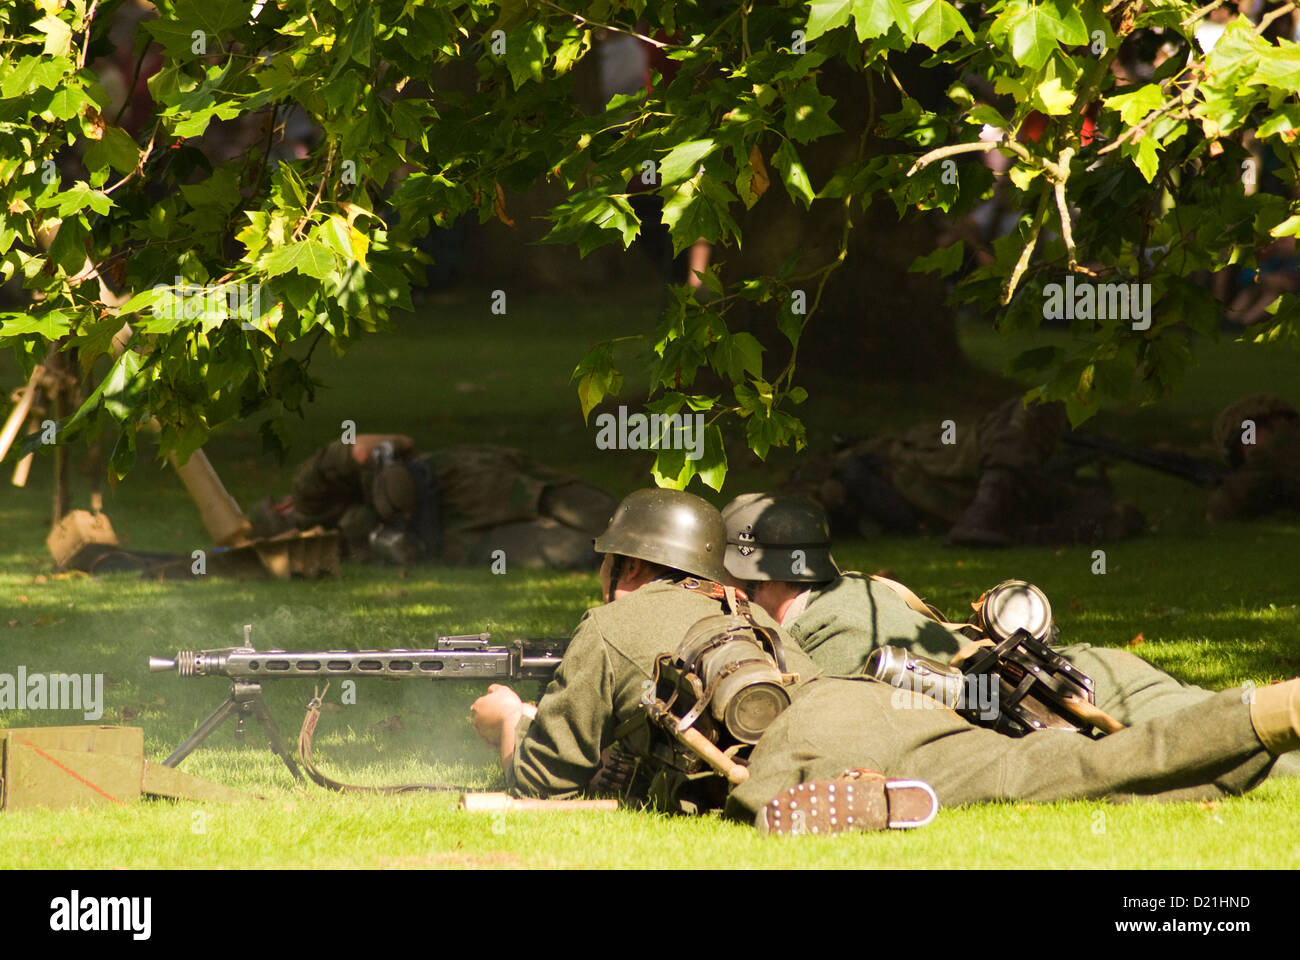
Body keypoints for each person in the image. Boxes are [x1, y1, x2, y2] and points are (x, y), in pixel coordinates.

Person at [470, 489, 1300, 836]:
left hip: (813, 747)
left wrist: (509, 723)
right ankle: (1266, 716)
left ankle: (865, 800)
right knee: (1065, 767)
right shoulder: (737, 609)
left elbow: (542, 785)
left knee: (1069, 771)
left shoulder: (612, 625)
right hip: (871, 710)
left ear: (626, 565)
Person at [721, 492, 1300, 744]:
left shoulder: (823, 638)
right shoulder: (859, 588)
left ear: (759, 579)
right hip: (1081, 670)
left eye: (733, 582)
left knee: (1242, 744)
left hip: (1052, 704)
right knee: (1241, 709)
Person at [786, 396, 1144, 547]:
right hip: (942, 493)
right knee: (1035, 405)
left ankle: (992, 514)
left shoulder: (902, 446)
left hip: (980, 474)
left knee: (1036, 404)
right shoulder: (847, 474)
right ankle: (989, 514)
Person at [251, 434, 616, 568]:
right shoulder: (326, 538)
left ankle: (638, 552)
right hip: (452, 525)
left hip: (453, 496)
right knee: (571, 538)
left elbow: (371, 449)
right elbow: (373, 448)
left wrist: (388, 487)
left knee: (574, 523)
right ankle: (630, 555)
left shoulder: (311, 498)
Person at [1207, 393, 1300, 522]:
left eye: (1248, 435)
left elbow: (1225, 505)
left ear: (1277, 419)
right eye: (1239, 456)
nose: (1248, 451)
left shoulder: (1283, 442)